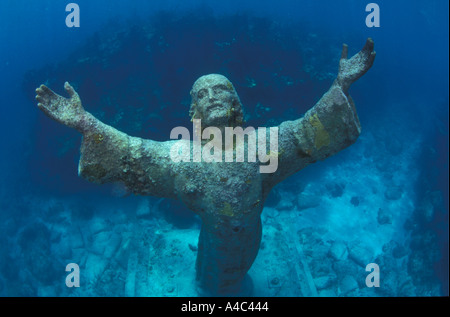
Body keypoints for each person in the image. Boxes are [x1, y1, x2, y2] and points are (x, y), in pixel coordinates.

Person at [36, 38, 375, 296]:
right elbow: (131, 153)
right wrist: (86, 124)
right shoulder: (183, 156)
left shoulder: (263, 145)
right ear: (194, 111)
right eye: (202, 94)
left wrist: (340, 86)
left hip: (250, 239)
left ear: (235, 104)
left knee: (241, 275)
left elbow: (305, 132)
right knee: (211, 283)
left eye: (220, 90)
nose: (212, 96)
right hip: (214, 248)